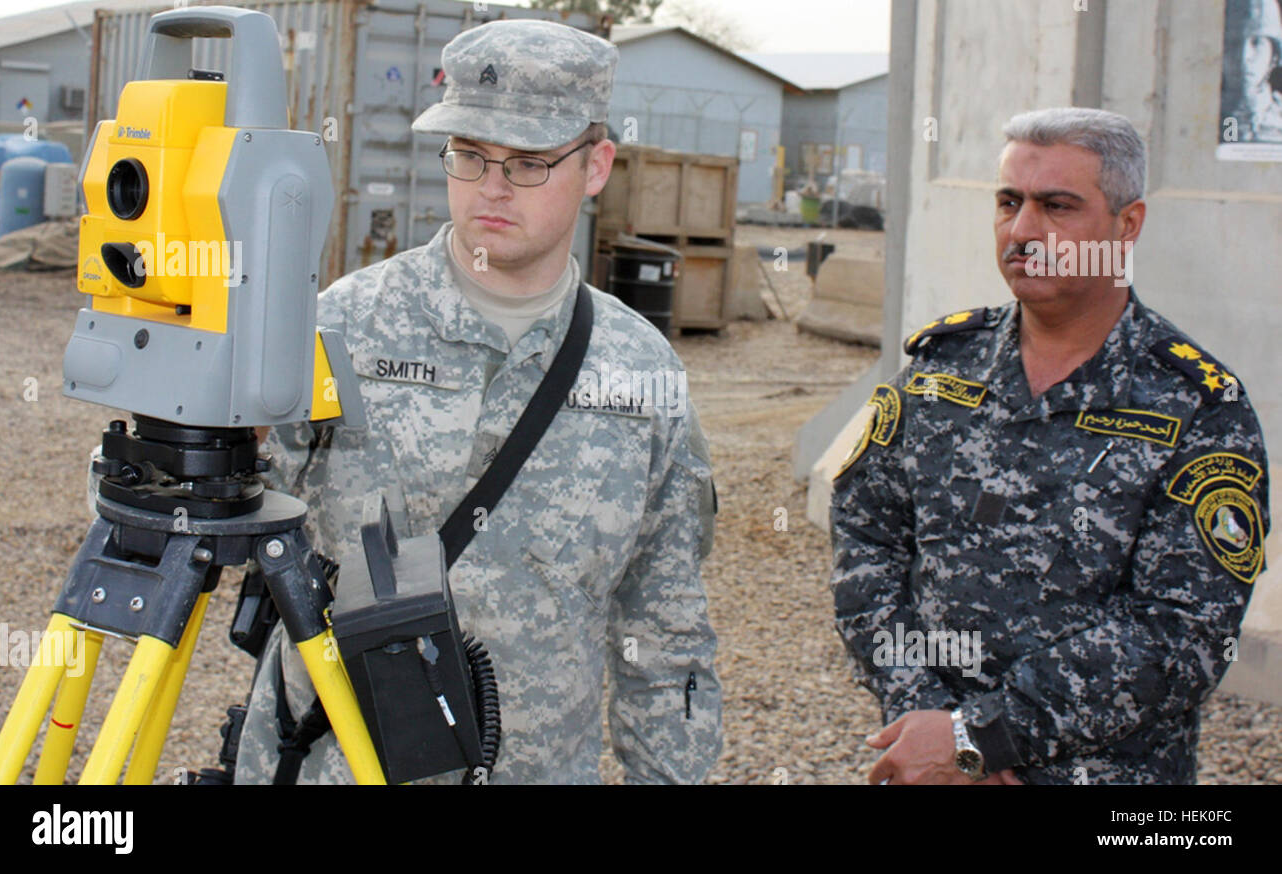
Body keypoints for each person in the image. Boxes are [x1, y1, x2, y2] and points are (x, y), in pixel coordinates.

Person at [232, 19, 722, 784]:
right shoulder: (339, 327)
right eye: (469, 155)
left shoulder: (640, 373)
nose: (492, 187)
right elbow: (225, 523)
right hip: (333, 765)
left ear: (597, 165)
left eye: (528, 162)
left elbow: (666, 634)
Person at [830, 107, 1269, 785]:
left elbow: (1182, 631)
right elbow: (867, 541)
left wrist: (983, 737)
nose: (1024, 231)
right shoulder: (940, 370)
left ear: (1128, 224)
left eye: (1057, 206)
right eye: (1009, 203)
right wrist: (925, 716)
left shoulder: (1198, 408)